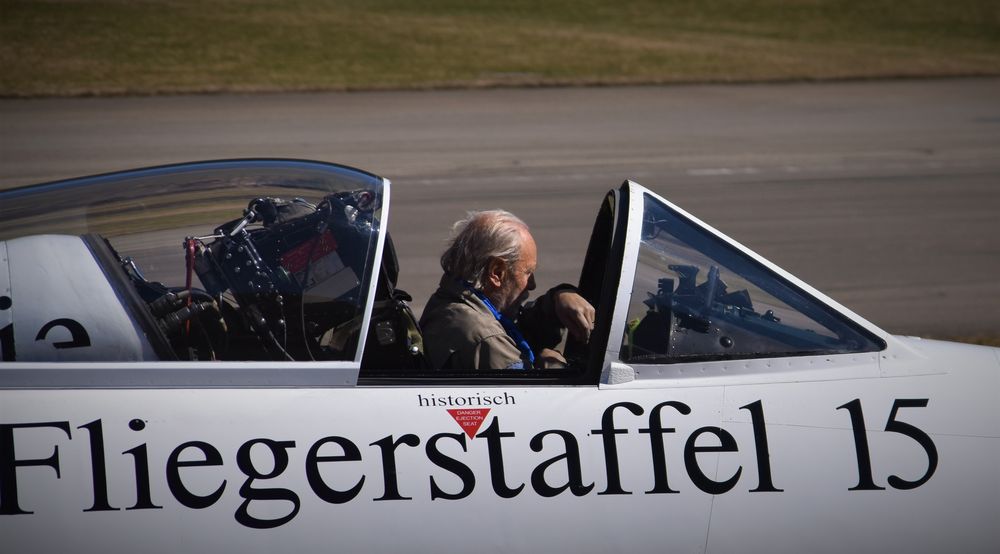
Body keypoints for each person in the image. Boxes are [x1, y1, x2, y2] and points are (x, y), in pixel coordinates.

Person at [419, 210, 595, 370]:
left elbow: (517, 327)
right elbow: (532, 399)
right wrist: (551, 366)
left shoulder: (453, 302)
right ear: (496, 273)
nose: (532, 284)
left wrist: (559, 297)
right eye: (528, 273)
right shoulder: (486, 337)